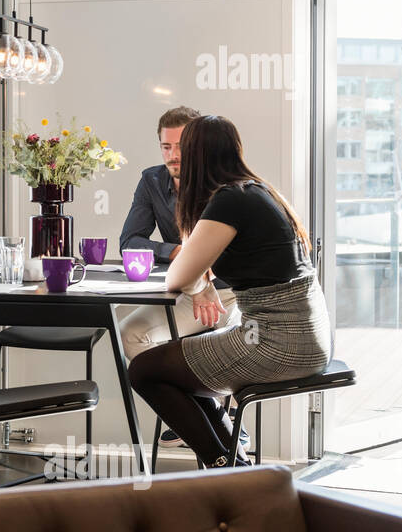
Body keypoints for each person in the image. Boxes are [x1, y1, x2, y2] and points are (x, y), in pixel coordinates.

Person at [127, 116, 331, 468]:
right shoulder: (254, 190)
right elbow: (196, 261)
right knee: (174, 370)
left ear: (196, 157)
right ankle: (233, 467)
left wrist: (199, 282)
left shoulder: (229, 201)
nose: (174, 158)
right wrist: (202, 283)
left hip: (276, 344)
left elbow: (176, 277)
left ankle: (225, 468)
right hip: (306, 339)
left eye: (182, 150)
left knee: (144, 371)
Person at [117, 105, 242, 451]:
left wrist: (196, 270)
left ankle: (212, 423)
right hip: (183, 289)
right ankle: (209, 411)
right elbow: (130, 242)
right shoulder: (152, 180)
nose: (173, 156)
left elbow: (219, 252)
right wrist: (180, 254)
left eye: (182, 148)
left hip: (228, 292)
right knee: (129, 333)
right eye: (166, 147)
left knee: (219, 340)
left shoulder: (222, 185)